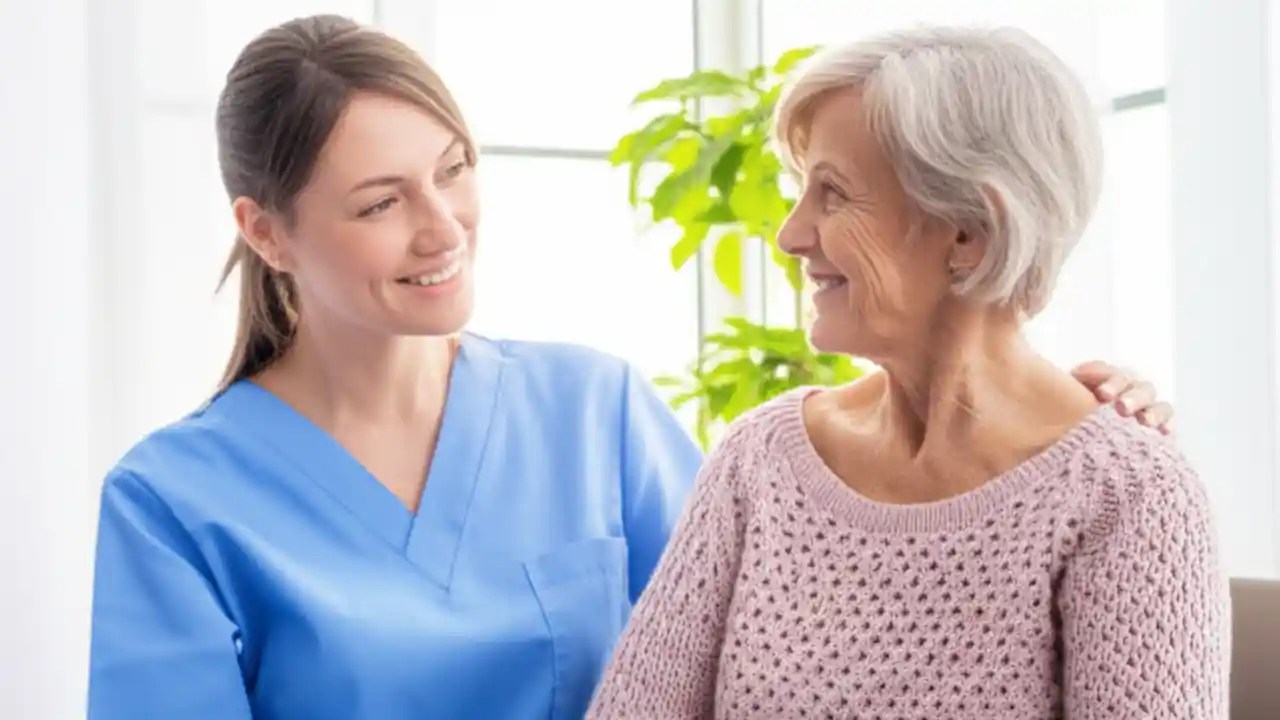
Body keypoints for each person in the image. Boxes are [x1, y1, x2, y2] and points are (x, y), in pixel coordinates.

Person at [87, 15, 1178, 720]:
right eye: (379, 204)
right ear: (266, 233)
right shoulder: (174, 503)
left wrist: (1063, 429)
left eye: (454, 172)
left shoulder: (591, 410)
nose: (441, 229)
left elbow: (793, 620)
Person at [587, 25, 1228, 720]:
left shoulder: (1128, 499)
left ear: (968, 233)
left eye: (832, 193)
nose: (791, 234)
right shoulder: (760, 459)